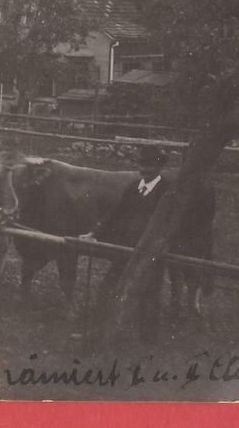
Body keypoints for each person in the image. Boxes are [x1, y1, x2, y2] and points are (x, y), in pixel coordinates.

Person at [79, 144, 170, 344]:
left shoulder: (167, 191)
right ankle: (98, 332)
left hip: (150, 254)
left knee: (149, 296)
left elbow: (168, 226)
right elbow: (114, 213)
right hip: (125, 252)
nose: (144, 170)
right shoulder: (133, 187)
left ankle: (147, 342)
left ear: (160, 167)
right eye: (141, 164)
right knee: (107, 288)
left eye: (149, 166)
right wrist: (93, 233)